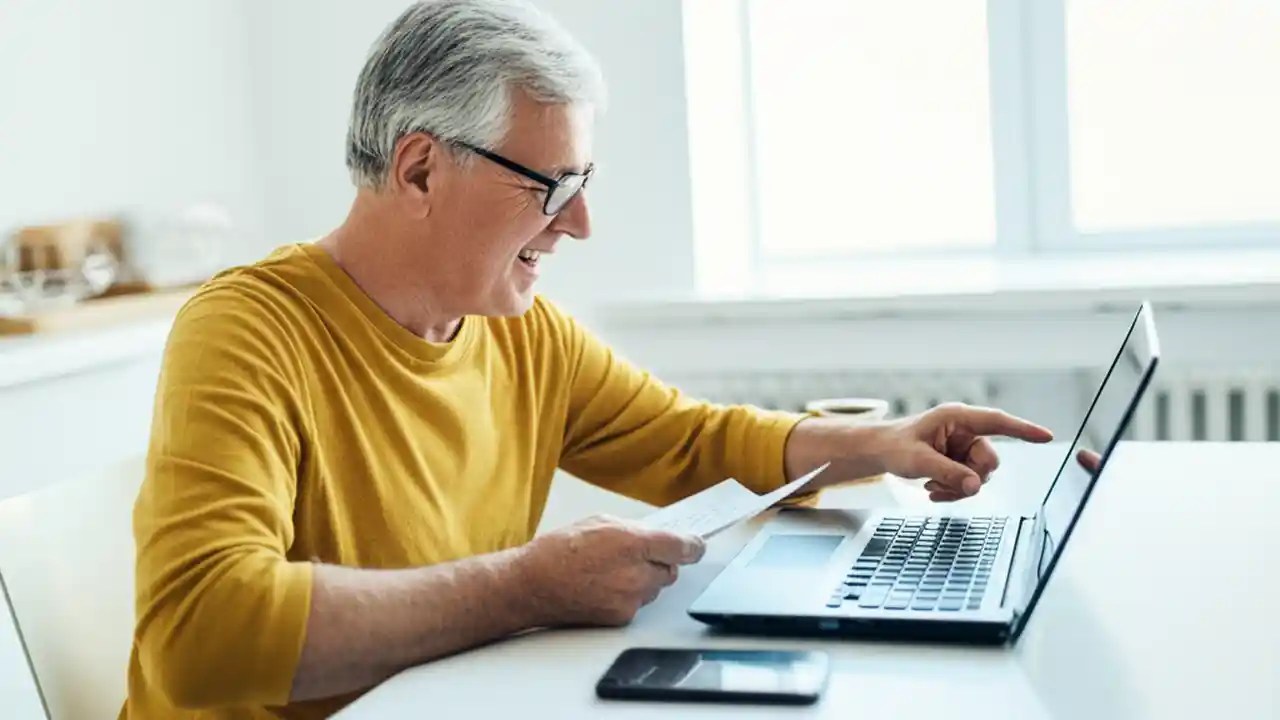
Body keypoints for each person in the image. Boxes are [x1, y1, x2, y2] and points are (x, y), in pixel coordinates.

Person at [122, 1, 1053, 717]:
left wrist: (877, 446)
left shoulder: (521, 332)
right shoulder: (246, 332)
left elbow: (689, 442)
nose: (579, 222)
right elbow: (203, 634)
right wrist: (526, 584)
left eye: (585, 182)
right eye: (553, 186)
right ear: (418, 171)